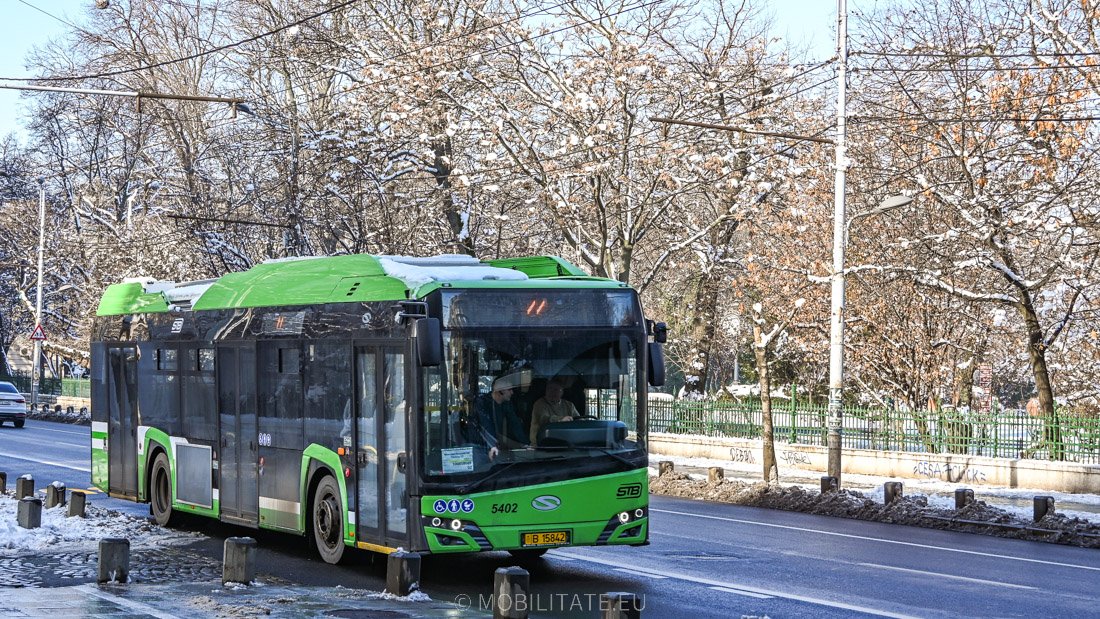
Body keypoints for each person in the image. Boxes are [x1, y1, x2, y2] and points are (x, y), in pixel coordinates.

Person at [465, 373, 528, 459]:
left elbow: (515, 423)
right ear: (500, 391)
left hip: (498, 447)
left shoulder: (507, 404)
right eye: (509, 389)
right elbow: (486, 425)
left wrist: (524, 444)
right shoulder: (482, 403)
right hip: (481, 448)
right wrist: (492, 445)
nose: (512, 392)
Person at [529, 378, 580, 445]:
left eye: (556, 389)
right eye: (549, 389)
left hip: (565, 443)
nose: (552, 392)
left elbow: (578, 420)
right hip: (541, 444)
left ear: (562, 392)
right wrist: (561, 419)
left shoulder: (569, 405)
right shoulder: (539, 404)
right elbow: (544, 419)